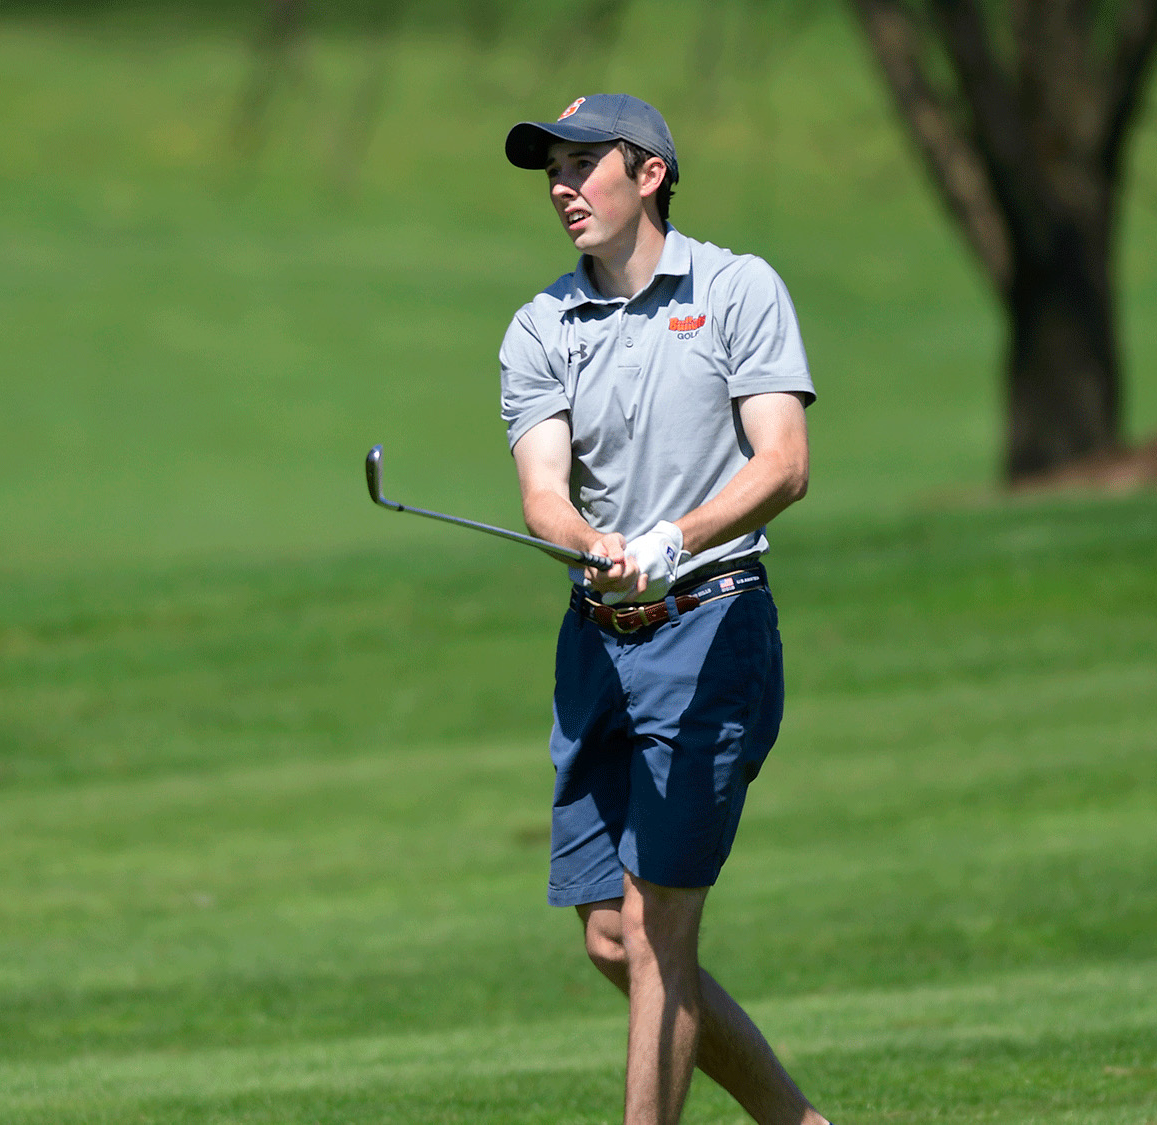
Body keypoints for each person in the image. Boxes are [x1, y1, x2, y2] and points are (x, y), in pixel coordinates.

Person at [497, 94, 830, 1125]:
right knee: (609, 936)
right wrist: (598, 547)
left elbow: (782, 463)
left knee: (654, 931)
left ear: (646, 173)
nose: (561, 184)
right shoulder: (540, 324)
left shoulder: (736, 289)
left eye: (581, 161)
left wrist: (671, 540)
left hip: (711, 627)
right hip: (596, 643)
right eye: (550, 166)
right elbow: (543, 493)